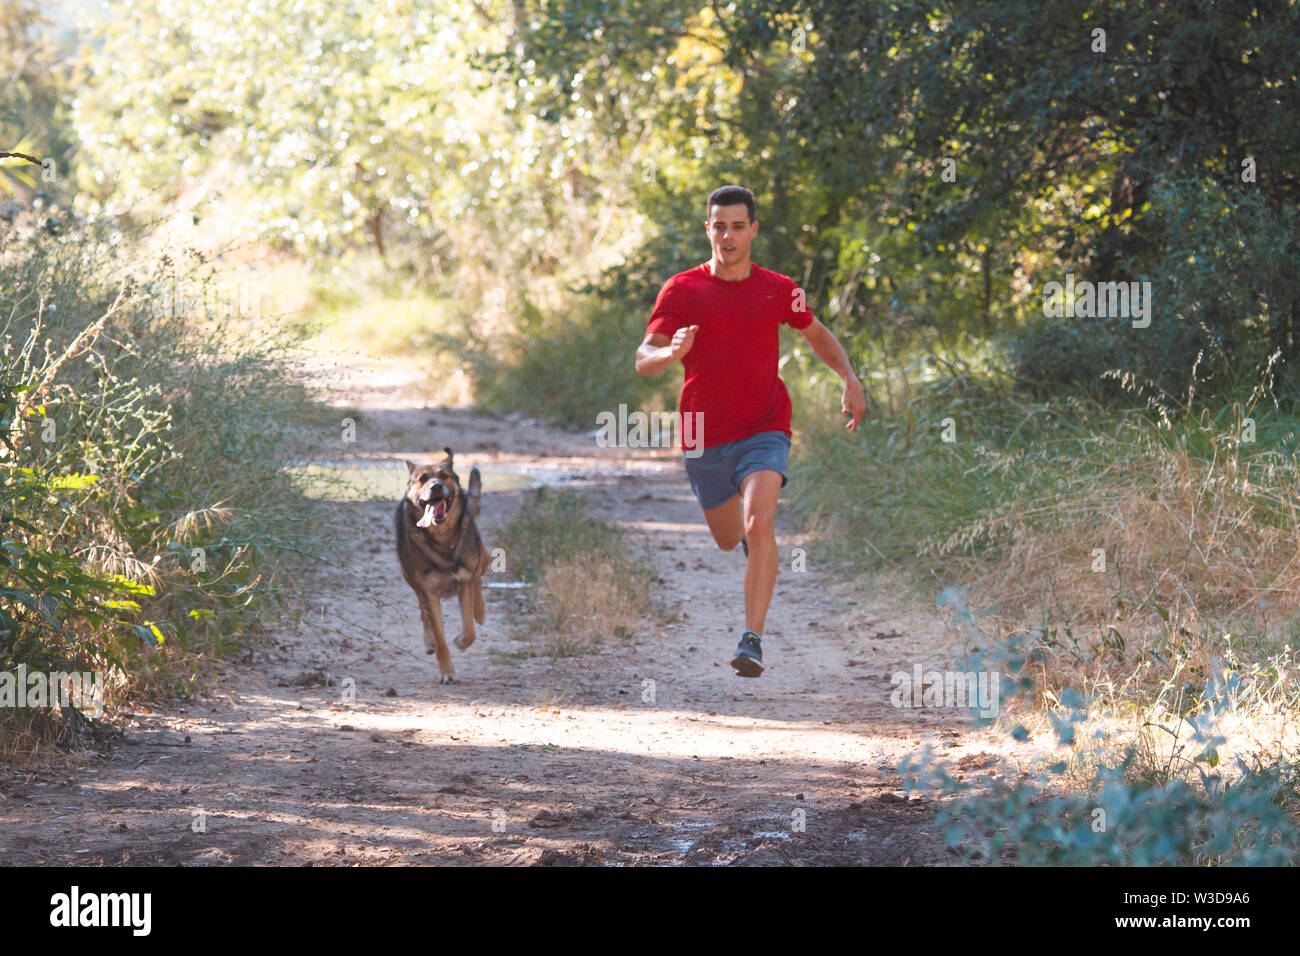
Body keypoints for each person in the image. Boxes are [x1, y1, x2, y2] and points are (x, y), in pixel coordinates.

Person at [635, 184, 866, 677]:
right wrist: (670, 353)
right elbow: (643, 360)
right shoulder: (681, 290)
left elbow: (816, 333)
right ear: (708, 229)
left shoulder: (780, 288)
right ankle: (748, 543)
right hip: (702, 434)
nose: (728, 235)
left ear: (753, 230)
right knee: (727, 538)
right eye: (719, 226)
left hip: (766, 427)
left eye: (738, 226)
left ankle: (751, 640)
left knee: (760, 522)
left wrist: (848, 376)